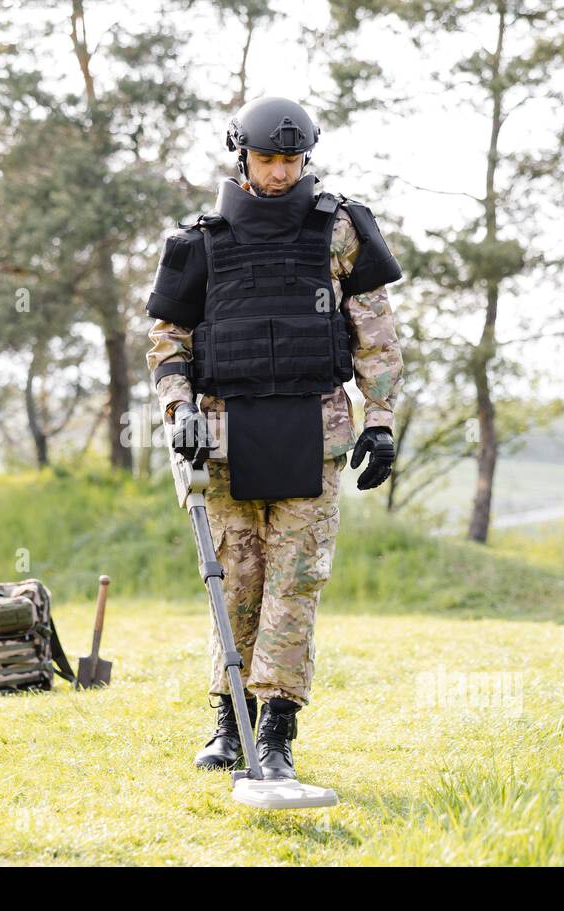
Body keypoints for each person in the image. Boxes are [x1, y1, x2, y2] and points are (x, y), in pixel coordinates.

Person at [144, 95, 405, 780]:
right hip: (224, 436)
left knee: (295, 583)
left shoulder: (340, 230)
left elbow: (374, 332)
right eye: (268, 159)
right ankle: (228, 724)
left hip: (313, 434)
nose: (280, 174)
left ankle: (277, 735)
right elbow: (167, 344)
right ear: (242, 156)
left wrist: (379, 418)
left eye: (291, 161)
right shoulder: (201, 240)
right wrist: (179, 413)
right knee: (236, 584)